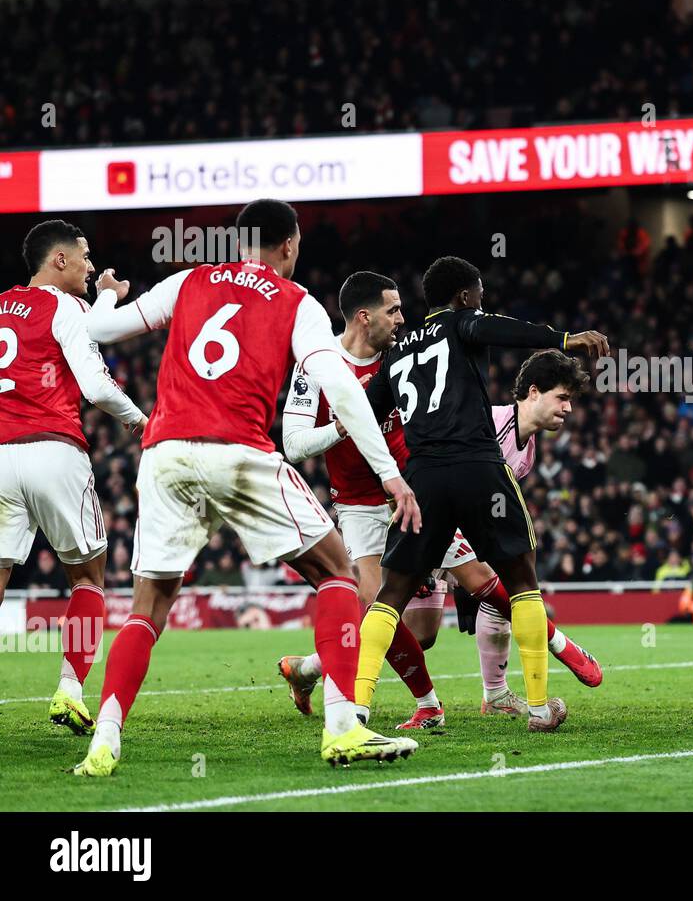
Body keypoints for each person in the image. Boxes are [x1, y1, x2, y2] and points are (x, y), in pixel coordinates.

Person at [72, 199, 421, 776]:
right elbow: (341, 385)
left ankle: (105, 739)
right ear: (289, 245)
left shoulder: (188, 281)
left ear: (240, 244)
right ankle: (342, 727)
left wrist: (107, 292)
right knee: (337, 572)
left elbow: (98, 329)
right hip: (239, 451)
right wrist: (389, 473)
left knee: (147, 608)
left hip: (165, 453)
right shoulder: (297, 301)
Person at [353, 255, 609, 733]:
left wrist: (388, 475)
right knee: (522, 582)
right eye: (479, 297)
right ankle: (539, 708)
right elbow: (502, 330)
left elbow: (366, 414)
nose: (481, 304)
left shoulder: (397, 350)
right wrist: (564, 339)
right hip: (477, 465)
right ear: (465, 296)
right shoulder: (462, 322)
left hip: (423, 477)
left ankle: (358, 710)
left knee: (392, 593)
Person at [274, 270, 447, 729]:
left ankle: (307, 668)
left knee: (423, 633)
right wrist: (343, 426)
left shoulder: (405, 356)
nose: (402, 319)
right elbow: (294, 444)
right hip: (356, 503)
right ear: (365, 317)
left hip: (413, 493)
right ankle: (429, 704)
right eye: (394, 310)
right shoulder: (317, 363)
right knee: (373, 604)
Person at [0, 219, 148, 737]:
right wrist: (140, 421)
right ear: (59, 259)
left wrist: (104, 296)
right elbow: (97, 387)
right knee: (87, 578)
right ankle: (70, 689)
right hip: (53, 449)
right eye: (85, 257)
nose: (90, 266)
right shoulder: (65, 307)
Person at [401, 349, 604, 721]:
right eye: (562, 397)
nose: (568, 408)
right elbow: (445, 479)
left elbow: (487, 513)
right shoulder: (486, 422)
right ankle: (556, 647)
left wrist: (466, 566)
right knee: (503, 590)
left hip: (451, 532)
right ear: (533, 392)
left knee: (420, 636)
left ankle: (310, 667)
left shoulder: (526, 455)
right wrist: (461, 566)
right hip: (417, 513)